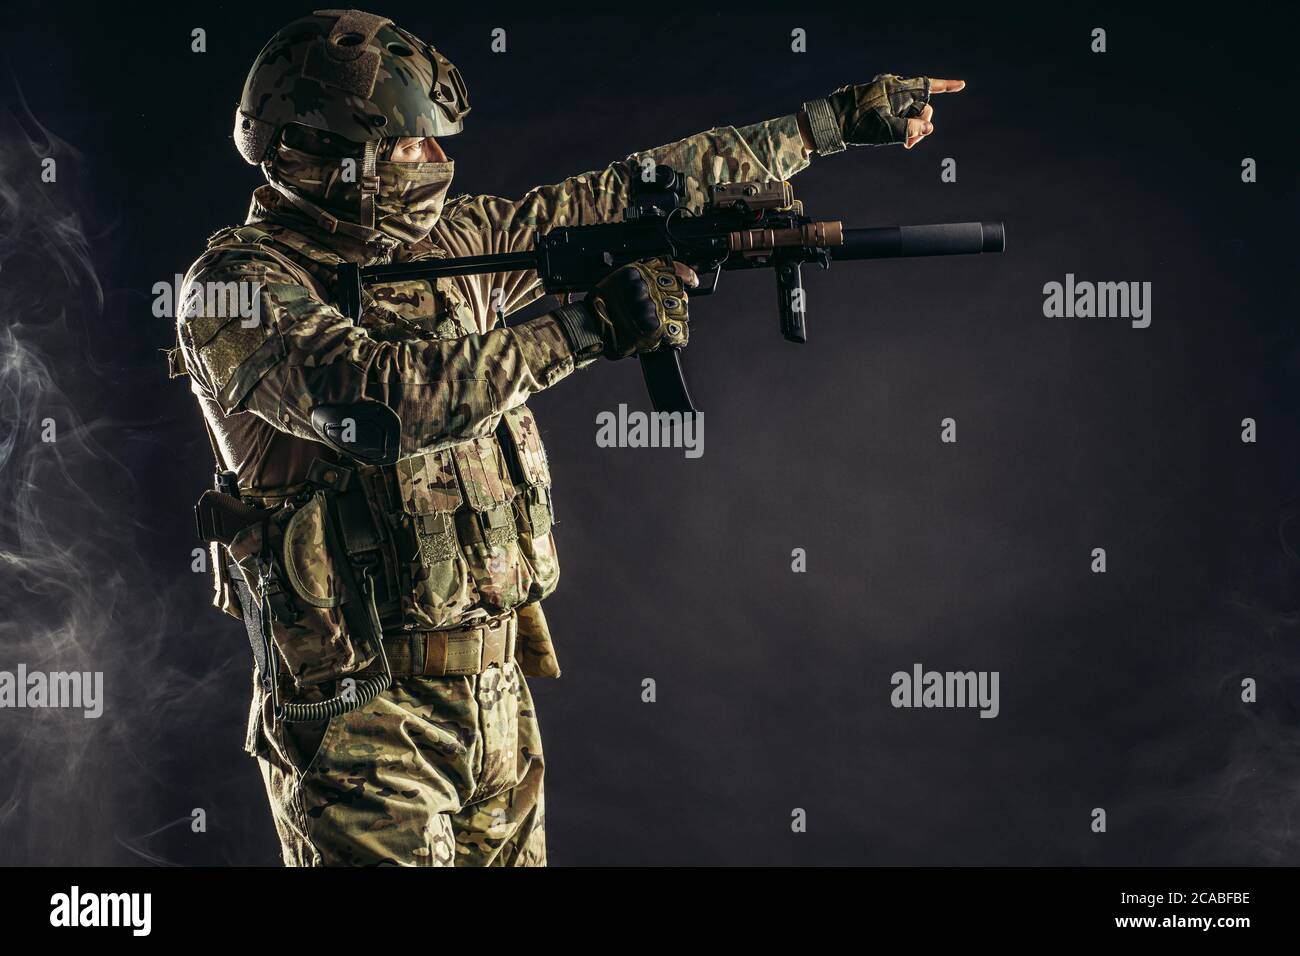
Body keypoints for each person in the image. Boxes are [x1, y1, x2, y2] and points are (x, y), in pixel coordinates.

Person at [170, 8, 964, 866]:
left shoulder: (456, 242)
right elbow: (373, 402)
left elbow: (622, 191)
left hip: (496, 694)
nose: (434, 162)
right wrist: (581, 331)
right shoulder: (235, 288)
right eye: (406, 146)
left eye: (435, 142)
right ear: (326, 154)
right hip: (361, 714)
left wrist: (830, 124)